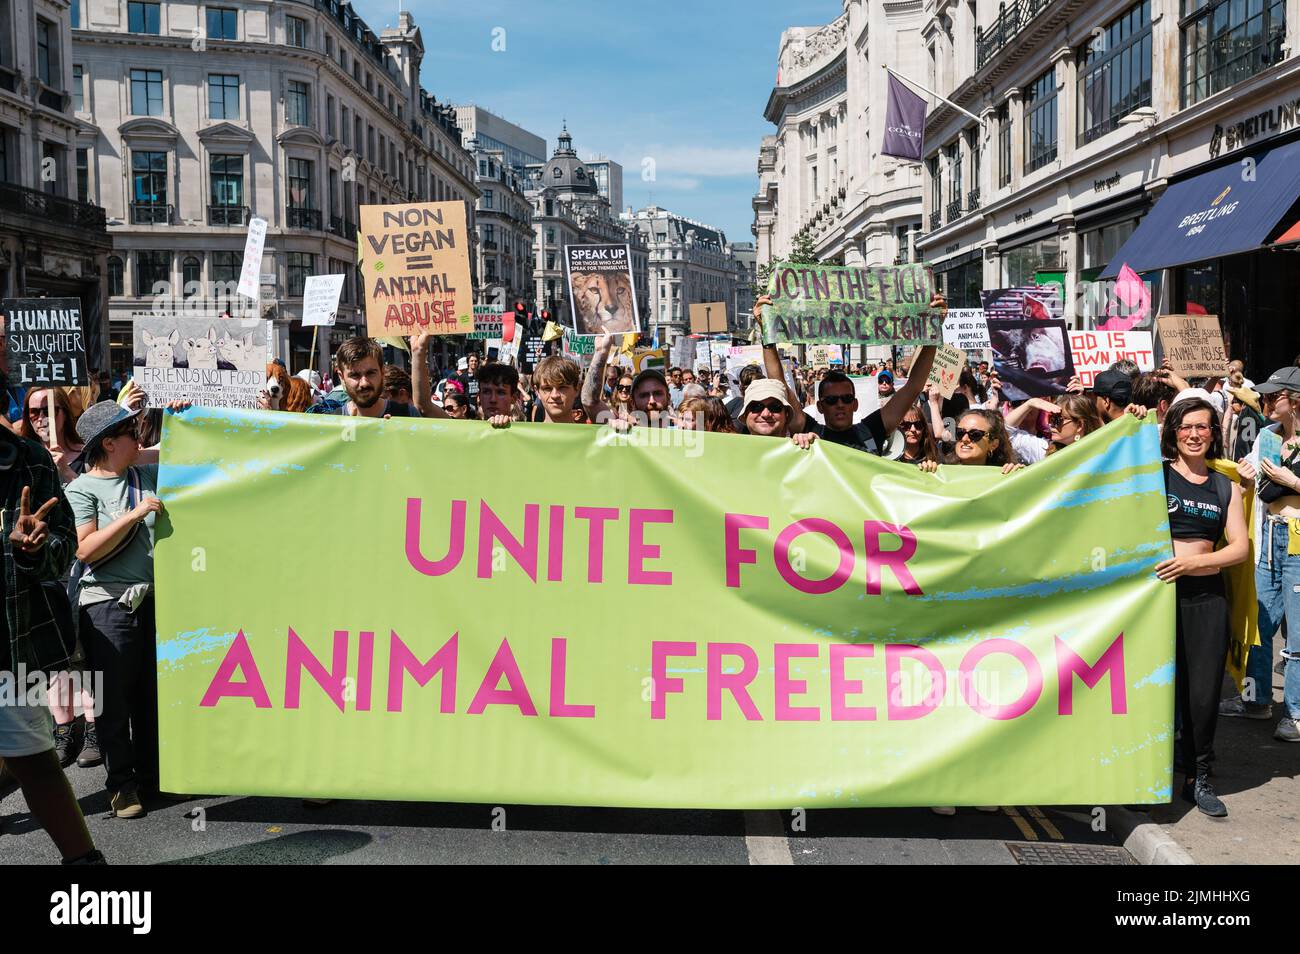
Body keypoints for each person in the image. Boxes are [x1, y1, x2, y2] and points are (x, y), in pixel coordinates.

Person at [65, 400, 186, 818]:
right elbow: (85, 549)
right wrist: (134, 516)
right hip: (107, 605)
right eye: (131, 432)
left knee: (152, 697)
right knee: (114, 701)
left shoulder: (145, 474)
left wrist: (180, 415)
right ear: (110, 443)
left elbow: (187, 452)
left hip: (156, 601)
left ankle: (153, 779)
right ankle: (122, 786)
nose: (140, 437)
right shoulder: (81, 489)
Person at [0, 416, 105, 863]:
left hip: (11, 643)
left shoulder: (27, 460)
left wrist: (35, 550)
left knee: (35, 759)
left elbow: (64, 551)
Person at [1157, 397, 1249, 815]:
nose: (1194, 435)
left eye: (1204, 427)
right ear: (1173, 430)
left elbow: (1240, 549)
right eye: (1186, 427)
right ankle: (1146, 775)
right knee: (1152, 689)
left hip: (1206, 599)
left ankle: (1199, 777)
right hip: (1155, 598)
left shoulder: (1224, 486)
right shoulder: (1154, 476)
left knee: (1202, 695)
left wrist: (1195, 562)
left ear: (1214, 434)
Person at [18, 387, 100, 769]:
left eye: (47, 410)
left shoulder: (84, 452)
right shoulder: (21, 457)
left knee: (85, 652)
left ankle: (95, 726)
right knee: (54, 656)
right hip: (40, 570)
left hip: (81, 564)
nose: (40, 418)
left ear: (65, 412)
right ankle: (65, 729)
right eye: (33, 412)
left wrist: (65, 470)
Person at [1229, 366, 1300, 741]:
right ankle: (1256, 701)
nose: (1267, 401)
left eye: (1276, 396)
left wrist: (1294, 482)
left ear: (1296, 401)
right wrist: (1242, 475)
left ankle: (1297, 713)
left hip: (1298, 541)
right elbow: (1251, 476)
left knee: (1298, 635)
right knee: (1257, 622)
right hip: (1268, 537)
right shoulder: (1268, 436)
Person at [306, 336, 430, 418]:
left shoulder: (407, 415)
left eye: (371, 373)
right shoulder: (332, 424)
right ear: (341, 377)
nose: (364, 383)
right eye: (355, 375)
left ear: (382, 372)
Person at [1002, 394, 1106, 463]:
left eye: (1058, 420)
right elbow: (1006, 431)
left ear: (1079, 425)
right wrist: (1030, 403)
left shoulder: (1103, 451)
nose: (1051, 425)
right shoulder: (1045, 450)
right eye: (1051, 419)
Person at [918, 408, 1023, 474]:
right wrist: (926, 473)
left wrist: (1019, 475)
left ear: (993, 444)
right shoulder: (940, 471)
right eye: (960, 433)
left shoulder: (1006, 476)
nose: (965, 439)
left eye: (975, 435)